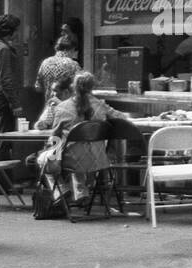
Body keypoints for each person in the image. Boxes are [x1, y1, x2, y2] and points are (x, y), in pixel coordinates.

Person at [34, 71, 131, 206]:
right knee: (79, 151)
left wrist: (51, 153)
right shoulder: (101, 106)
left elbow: (55, 137)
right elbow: (122, 118)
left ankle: (61, 191)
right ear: (92, 87)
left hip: (72, 159)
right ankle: (81, 193)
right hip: (99, 159)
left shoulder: (62, 108)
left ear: (73, 87)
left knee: (43, 159)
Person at [34, 34, 80, 102]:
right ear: (67, 50)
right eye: (73, 51)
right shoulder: (73, 65)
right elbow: (80, 88)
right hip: (65, 108)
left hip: (50, 106)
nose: (74, 54)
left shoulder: (45, 62)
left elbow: (38, 87)